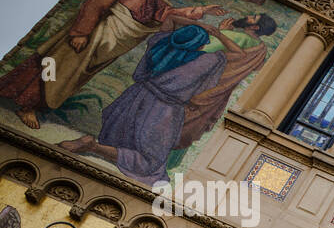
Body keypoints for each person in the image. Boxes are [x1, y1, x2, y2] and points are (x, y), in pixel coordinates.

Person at [0, 0, 225, 130]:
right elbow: (95, 5)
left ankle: (36, 106)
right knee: (58, 66)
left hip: (109, 46)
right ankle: (27, 106)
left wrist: (203, 10)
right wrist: (81, 32)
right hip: (92, 36)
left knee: (74, 76)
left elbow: (172, 15)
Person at [56, 24, 236, 185]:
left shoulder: (159, 43)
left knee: (118, 139)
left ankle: (97, 147)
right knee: (149, 163)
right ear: (200, 44)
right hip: (164, 111)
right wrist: (219, 34)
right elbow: (235, 58)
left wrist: (196, 24)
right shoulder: (209, 61)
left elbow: (170, 21)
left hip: (134, 98)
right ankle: (91, 146)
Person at [174, 14, 278, 155]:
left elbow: (203, 51)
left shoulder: (235, 37)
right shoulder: (261, 49)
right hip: (218, 94)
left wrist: (222, 32)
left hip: (201, 85)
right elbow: (257, 67)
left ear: (255, 27)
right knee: (194, 125)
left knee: (175, 119)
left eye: (252, 17)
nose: (248, 17)